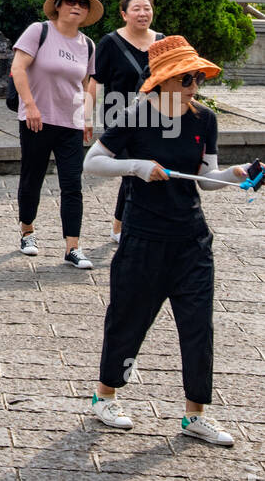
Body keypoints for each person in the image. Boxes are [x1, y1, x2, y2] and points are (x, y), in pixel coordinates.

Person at [84, 35, 258, 445]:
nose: (193, 86)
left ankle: (195, 414)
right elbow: (93, 162)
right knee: (128, 319)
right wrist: (137, 167)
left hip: (192, 239)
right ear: (162, 80)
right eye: (184, 79)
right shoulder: (133, 115)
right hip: (143, 237)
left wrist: (233, 174)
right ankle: (105, 395)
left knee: (198, 326)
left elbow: (207, 179)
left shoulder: (204, 120)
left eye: (197, 77)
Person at [10, 0, 99, 269]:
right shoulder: (40, 31)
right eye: (70, 0)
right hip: (36, 119)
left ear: (87, 11)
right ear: (58, 5)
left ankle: (72, 247)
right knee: (32, 177)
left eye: (82, 2)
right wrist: (31, 105)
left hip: (70, 122)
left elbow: (88, 84)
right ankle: (27, 231)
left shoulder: (87, 44)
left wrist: (87, 116)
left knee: (72, 184)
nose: (76, 6)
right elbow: (18, 68)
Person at [88, 0, 163, 244]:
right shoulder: (110, 43)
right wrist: (86, 116)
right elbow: (94, 81)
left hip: (156, 118)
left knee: (150, 169)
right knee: (132, 171)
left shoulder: (163, 43)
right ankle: (120, 227)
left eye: (147, 8)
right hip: (119, 117)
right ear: (123, 14)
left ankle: (134, 224)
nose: (143, 14)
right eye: (136, 9)